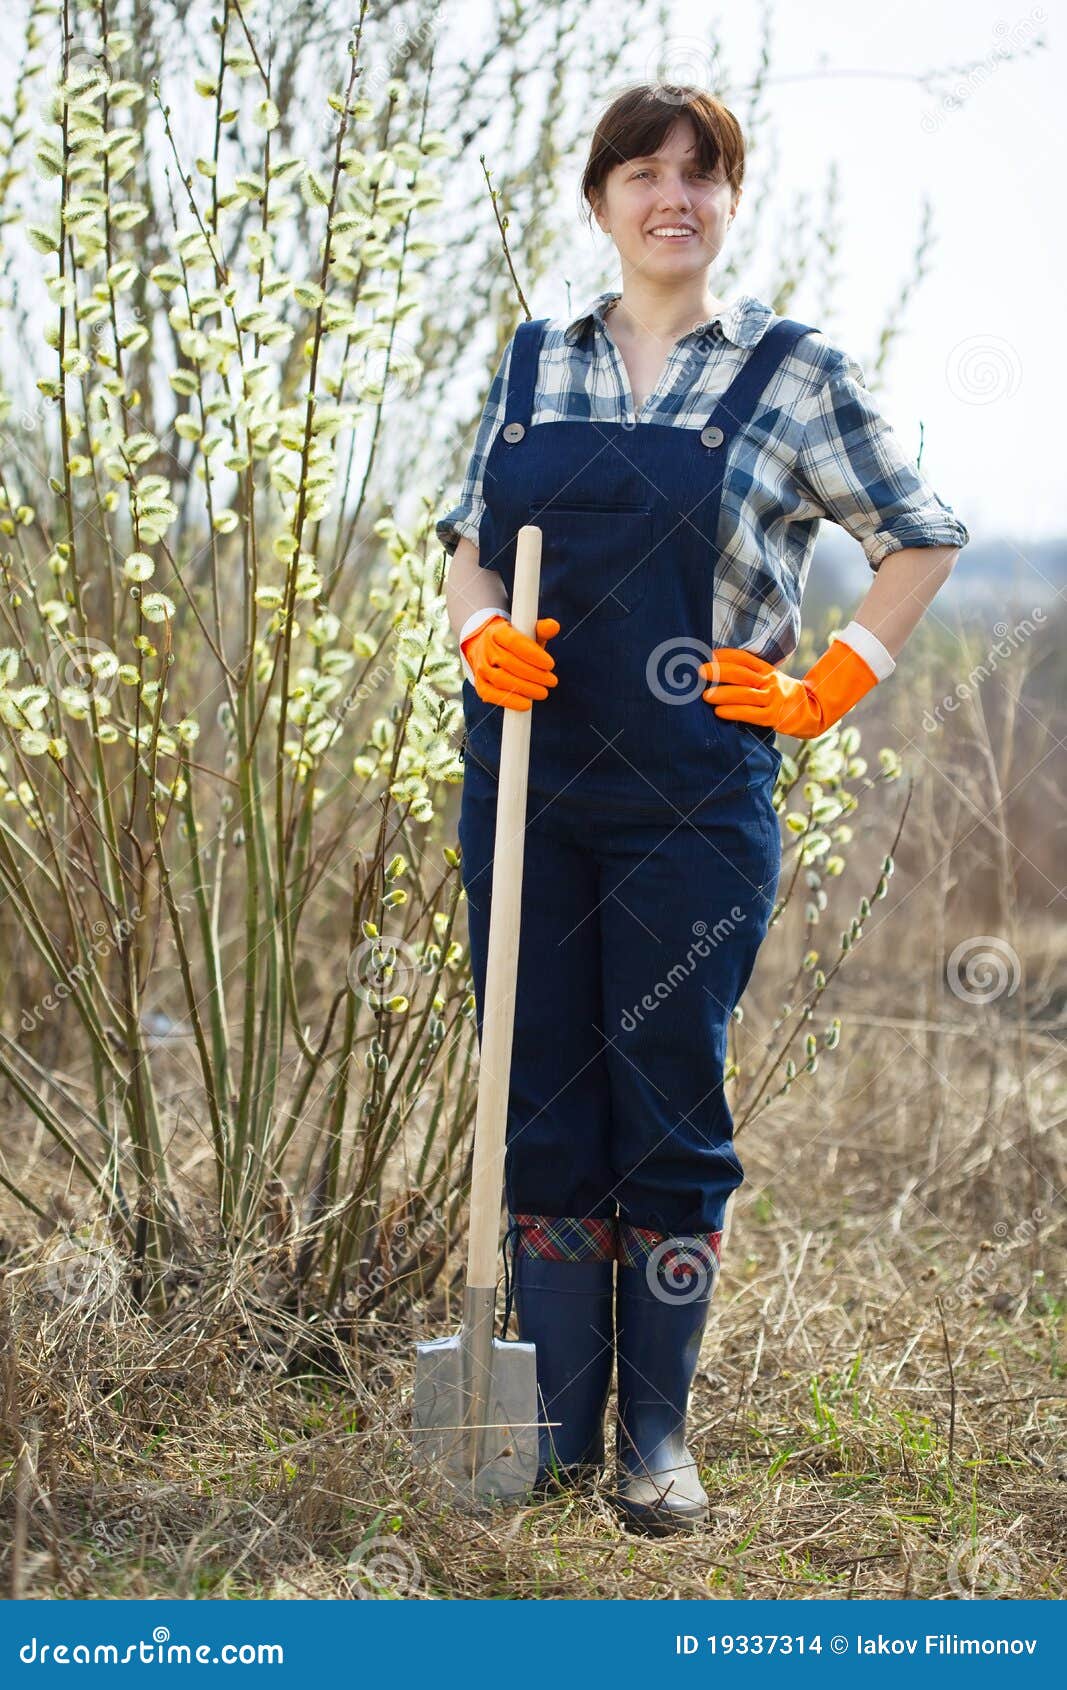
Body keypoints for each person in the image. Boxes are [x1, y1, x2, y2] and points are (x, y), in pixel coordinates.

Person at [437, 83, 968, 1535]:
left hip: (691, 800)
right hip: (530, 784)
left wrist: (827, 682)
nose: (672, 196)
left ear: (730, 202)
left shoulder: (789, 375)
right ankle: (549, 1423)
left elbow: (917, 539)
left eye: (701, 174)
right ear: (600, 198)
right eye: (643, 172)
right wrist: (477, 631)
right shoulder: (535, 361)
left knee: (666, 1093)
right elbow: (468, 548)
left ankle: (655, 1439)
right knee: (540, 1090)